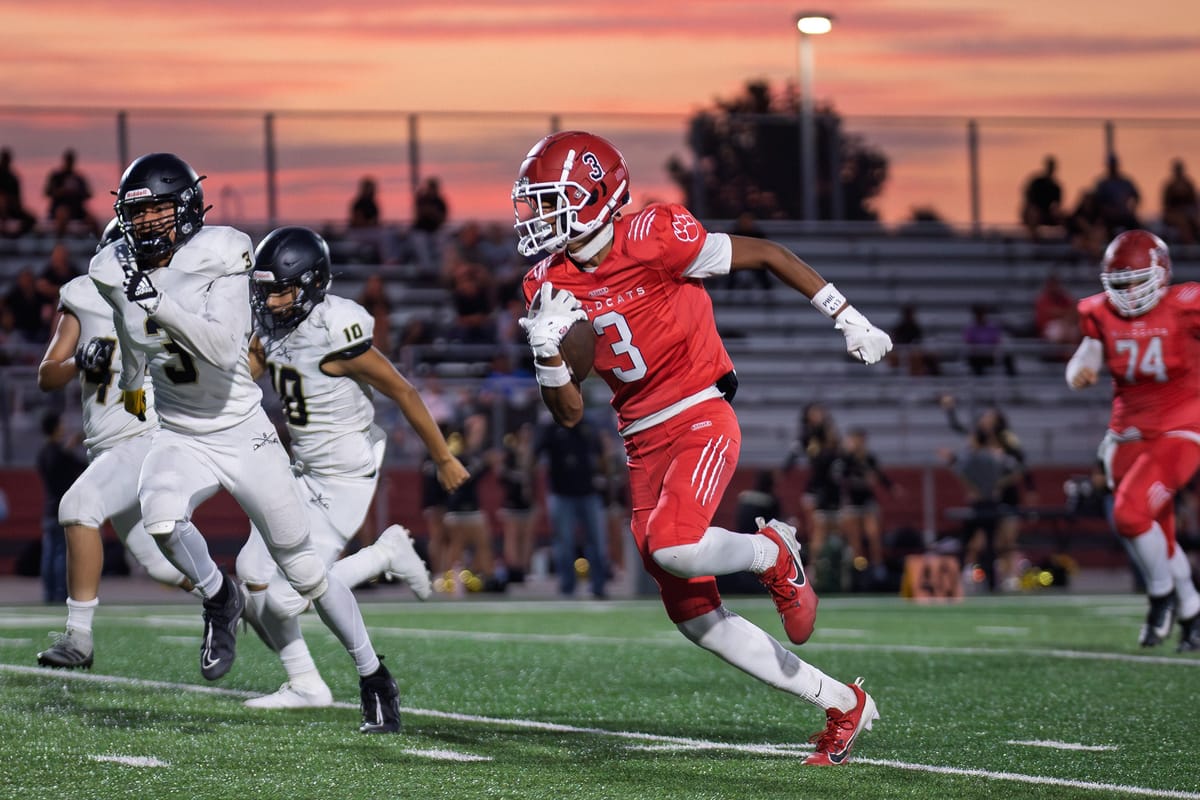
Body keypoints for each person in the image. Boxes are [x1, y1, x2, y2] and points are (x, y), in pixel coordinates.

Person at [512, 131, 889, 765]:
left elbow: (766, 253)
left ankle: (771, 551)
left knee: (675, 546)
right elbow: (569, 414)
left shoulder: (656, 235)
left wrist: (846, 314)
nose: (538, 217)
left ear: (599, 197)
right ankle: (841, 702)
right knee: (692, 615)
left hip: (698, 411)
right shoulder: (545, 285)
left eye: (552, 201)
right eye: (534, 203)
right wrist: (549, 359)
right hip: (640, 439)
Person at [89, 152, 401, 733]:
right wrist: (133, 398)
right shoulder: (112, 266)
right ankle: (218, 597)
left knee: (305, 571)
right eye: (137, 211)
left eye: (158, 208)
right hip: (180, 432)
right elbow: (134, 345)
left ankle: (372, 673)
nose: (146, 222)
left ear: (184, 208)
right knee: (160, 517)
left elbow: (220, 346)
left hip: (242, 432)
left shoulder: (223, 252)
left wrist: (158, 301)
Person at [239, 225, 469, 708]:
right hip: (301, 470)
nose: (272, 302)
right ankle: (305, 683)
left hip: (344, 477)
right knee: (250, 578)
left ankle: (387, 553)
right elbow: (246, 373)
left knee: (288, 599)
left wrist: (443, 456)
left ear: (311, 284)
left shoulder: (336, 334)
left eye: (281, 290)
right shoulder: (275, 328)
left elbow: (403, 390)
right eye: (265, 290)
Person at [35, 225, 196, 668]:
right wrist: (76, 362)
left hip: (148, 435)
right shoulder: (83, 296)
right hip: (105, 444)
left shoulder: (163, 294)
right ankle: (231, 596)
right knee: (159, 563)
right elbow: (46, 375)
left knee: (77, 506)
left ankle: (78, 639)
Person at [1065, 229, 1200, 651]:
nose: (1128, 293)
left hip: (1182, 423)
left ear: (1161, 273)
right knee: (1154, 527)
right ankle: (1193, 611)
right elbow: (1083, 359)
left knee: (1129, 513)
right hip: (1128, 428)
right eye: (1120, 284)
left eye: (1137, 281)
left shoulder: (1186, 305)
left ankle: (1160, 596)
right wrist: (1078, 374)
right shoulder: (1099, 312)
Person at [535, 413, 610, 599]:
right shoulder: (551, 427)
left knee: (597, 543)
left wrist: (605, 479)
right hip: (561, 493)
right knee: (564, 544)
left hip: (588, 492)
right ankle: (567, 587)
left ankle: (598, 586)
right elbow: (534, 455)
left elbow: (602, 455)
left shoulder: (590, 425)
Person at [35, 410, 87, 604]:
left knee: (49, 554)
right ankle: (60, 593)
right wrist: (70, 448)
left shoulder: (43, 453)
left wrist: (67, 449)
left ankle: (48, 593)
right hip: (62, 508)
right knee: (62, 555)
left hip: (48, 509)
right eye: (61, 424)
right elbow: (76, 466)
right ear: (56, 427)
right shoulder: (58, 453)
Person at [43, 149, 100, 238]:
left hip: (77, 209)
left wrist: (77, 192)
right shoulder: (57, 177)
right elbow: (47, 192)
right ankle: (60, 242)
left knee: (93, 220)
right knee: (62, 216)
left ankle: (99, 242)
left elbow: (88, 194)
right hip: (60, 207)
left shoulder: (78, 178)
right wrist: (62, 191)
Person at [1093, 155, 1141, 238]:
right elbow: (1097, 202)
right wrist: (1108, 211)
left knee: (1137, 230)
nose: (1112, 168)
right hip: (1108, 218)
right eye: (1111, 166)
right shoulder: (1103, 184)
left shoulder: (1125, 182)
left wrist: (1131, 209)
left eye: (1113, 165)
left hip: (1125, 216)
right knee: (1105, 233)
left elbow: (1137, 197)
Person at [1021, 155, 1065, 241]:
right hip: (1033, 212)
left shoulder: (1056, 187)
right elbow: (1028, 198)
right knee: (1034, 213)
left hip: (1047, 213)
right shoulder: (1037, 182)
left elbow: (1057, 206)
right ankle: (1034, 239)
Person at [1161, 159, 1199, 245]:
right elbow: (1166, 204)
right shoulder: (1170, 186)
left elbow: (1194, 201)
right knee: (1182, 222)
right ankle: (1189, 243)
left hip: (1188, 212)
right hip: (1174, 213)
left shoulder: (1188, 184)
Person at [0, 148, 37, 237]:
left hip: (12, 208)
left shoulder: (13, 177)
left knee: (31, 219)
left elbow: (18, 199)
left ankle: (15, 235)